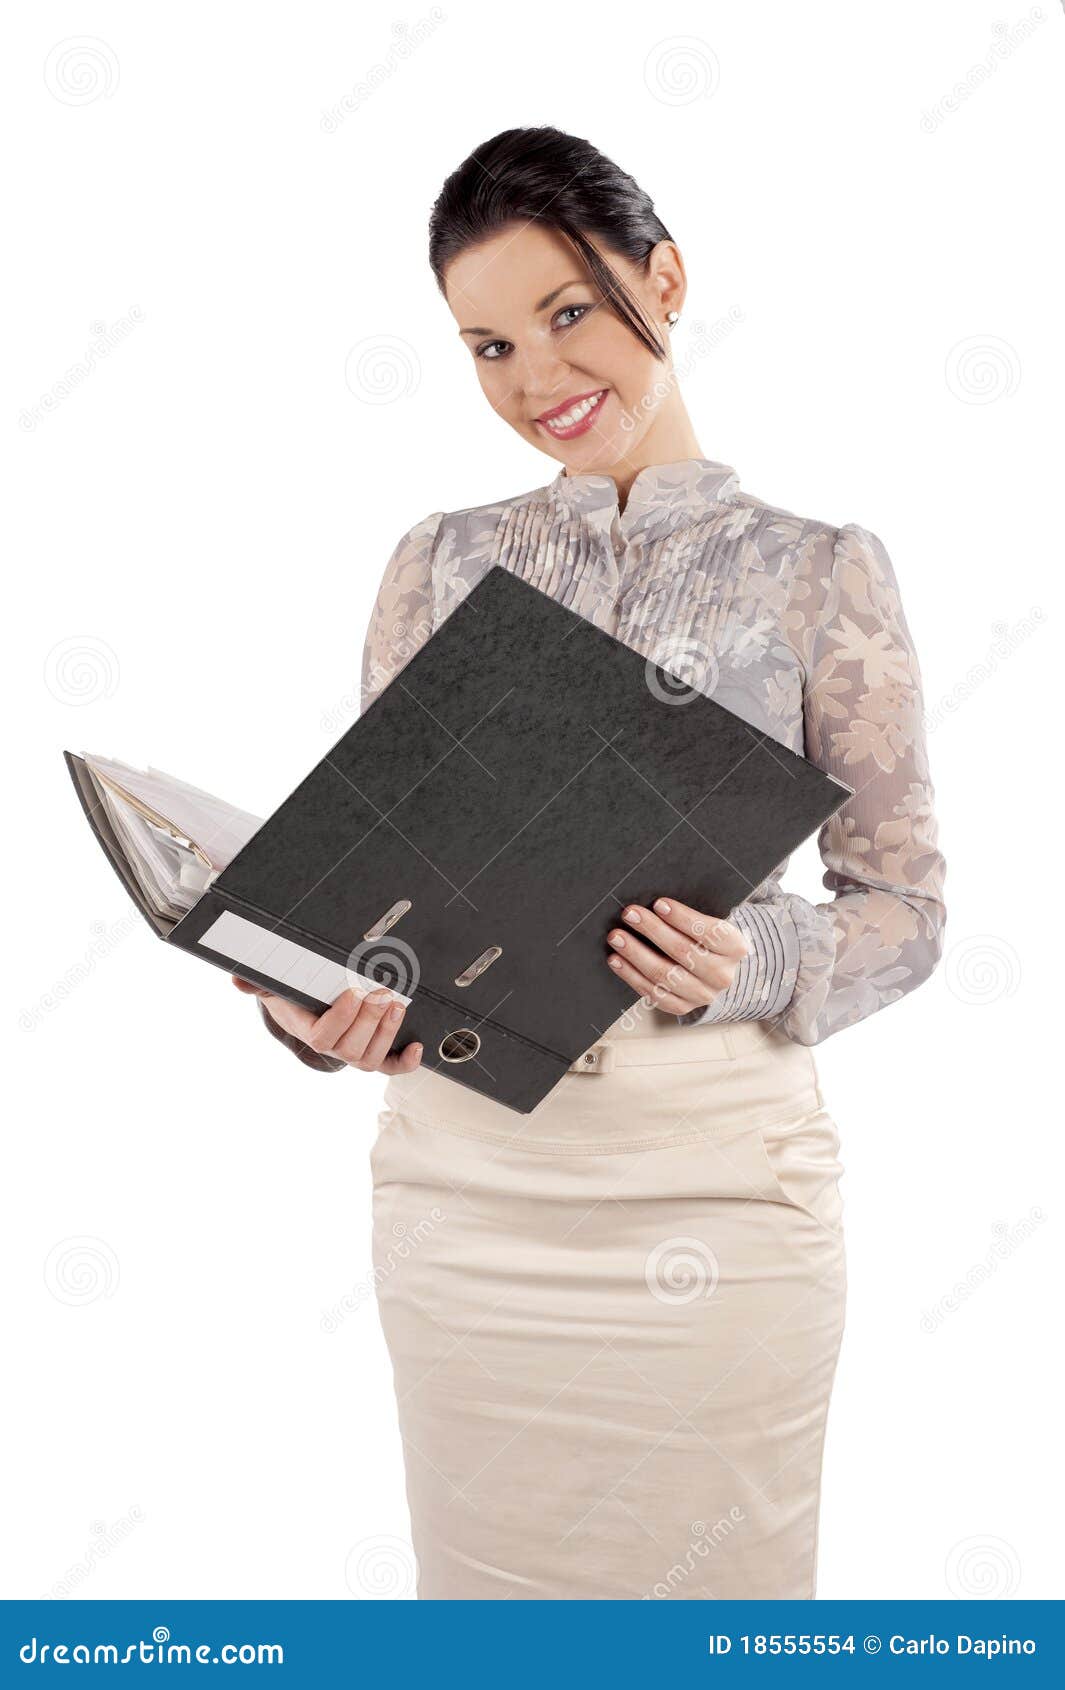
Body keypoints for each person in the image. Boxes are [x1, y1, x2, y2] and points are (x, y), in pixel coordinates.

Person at [233, 127, 947, 1599]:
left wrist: (763, 958)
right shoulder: (435, 562)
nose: (534, 380)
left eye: (567, 313)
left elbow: (907, 908)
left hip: (720, 1189)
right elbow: (364, 885)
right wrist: (312, 1008)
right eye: (487, 344)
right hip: (468, 1195)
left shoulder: (818, 570)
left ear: (664, 278)